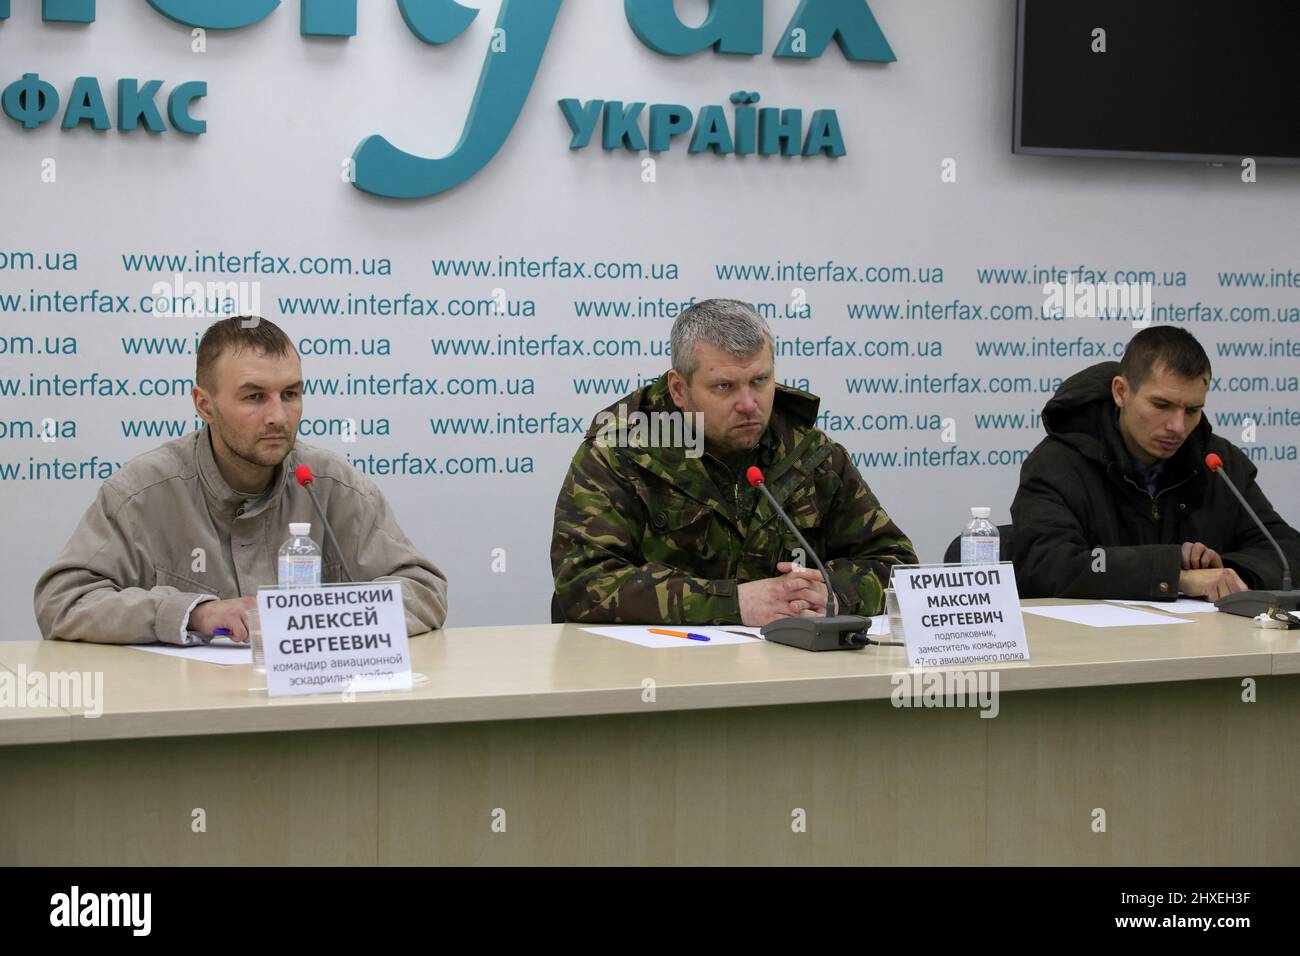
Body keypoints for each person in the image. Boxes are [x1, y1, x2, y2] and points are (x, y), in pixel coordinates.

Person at [34, 316, 448, 644]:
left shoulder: (332, 484)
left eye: (290, 394)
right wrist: (194, 613)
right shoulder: (143, 492)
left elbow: (424, 592)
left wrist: (324, 620)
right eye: (254, 397)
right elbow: (64, 602)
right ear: (204, 404)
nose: (278, 416)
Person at [551, 298, 916, 625]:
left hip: (788, 671)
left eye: (760, 381)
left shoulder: (811, 455)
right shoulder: (621, 453)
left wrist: (832, 592)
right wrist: (733, 603)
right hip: (659, 675)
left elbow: (898, 566)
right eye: (724, 387)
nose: (748, 404)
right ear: (679, 389)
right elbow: (583, 583)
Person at [1012, 325, 1300, 601]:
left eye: (1192, 410)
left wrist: (1221, 571)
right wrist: (1175, 574)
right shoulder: (1058, 463)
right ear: (1121, 392)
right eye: (1161, 406)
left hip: (1204, 643)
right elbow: (1046, 564)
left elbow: (1286, 551)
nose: (1177, 426)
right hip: (1097, 647)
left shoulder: (1218, 462)